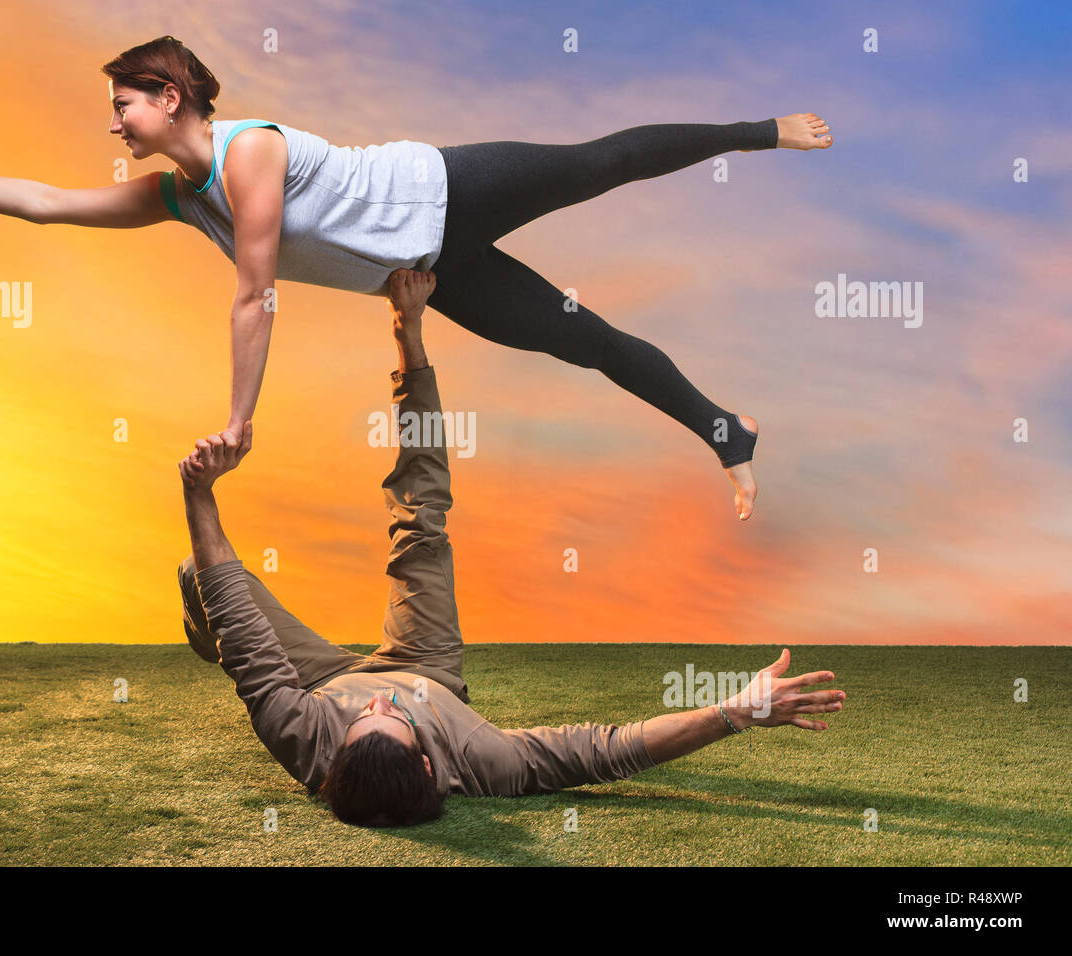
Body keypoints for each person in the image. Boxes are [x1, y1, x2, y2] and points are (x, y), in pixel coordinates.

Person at [0, 35, 835, 522]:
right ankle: (725, 430)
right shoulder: (176, 196)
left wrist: (238, 421)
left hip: (450, 185)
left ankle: (763, 130)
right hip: (432, 269)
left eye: (124, 106)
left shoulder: (246, 157)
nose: (114, 124)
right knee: (581, 339)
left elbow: (253, 292)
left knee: (596, 161)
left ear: (171, 96)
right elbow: (44, 202)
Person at [176, 267, 846, 828]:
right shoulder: (485, 762)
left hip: (322, 680)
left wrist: (201, 492)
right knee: (422, 520)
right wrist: (734, 712)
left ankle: (405, 335)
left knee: (201, 577)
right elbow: (604, 753)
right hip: (428, 665)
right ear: (432, 766)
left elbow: (243, 621)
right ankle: (411, 337)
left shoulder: (301, 734)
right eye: (393, 717)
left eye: (363, 718)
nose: (379, 702)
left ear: (330, 762)